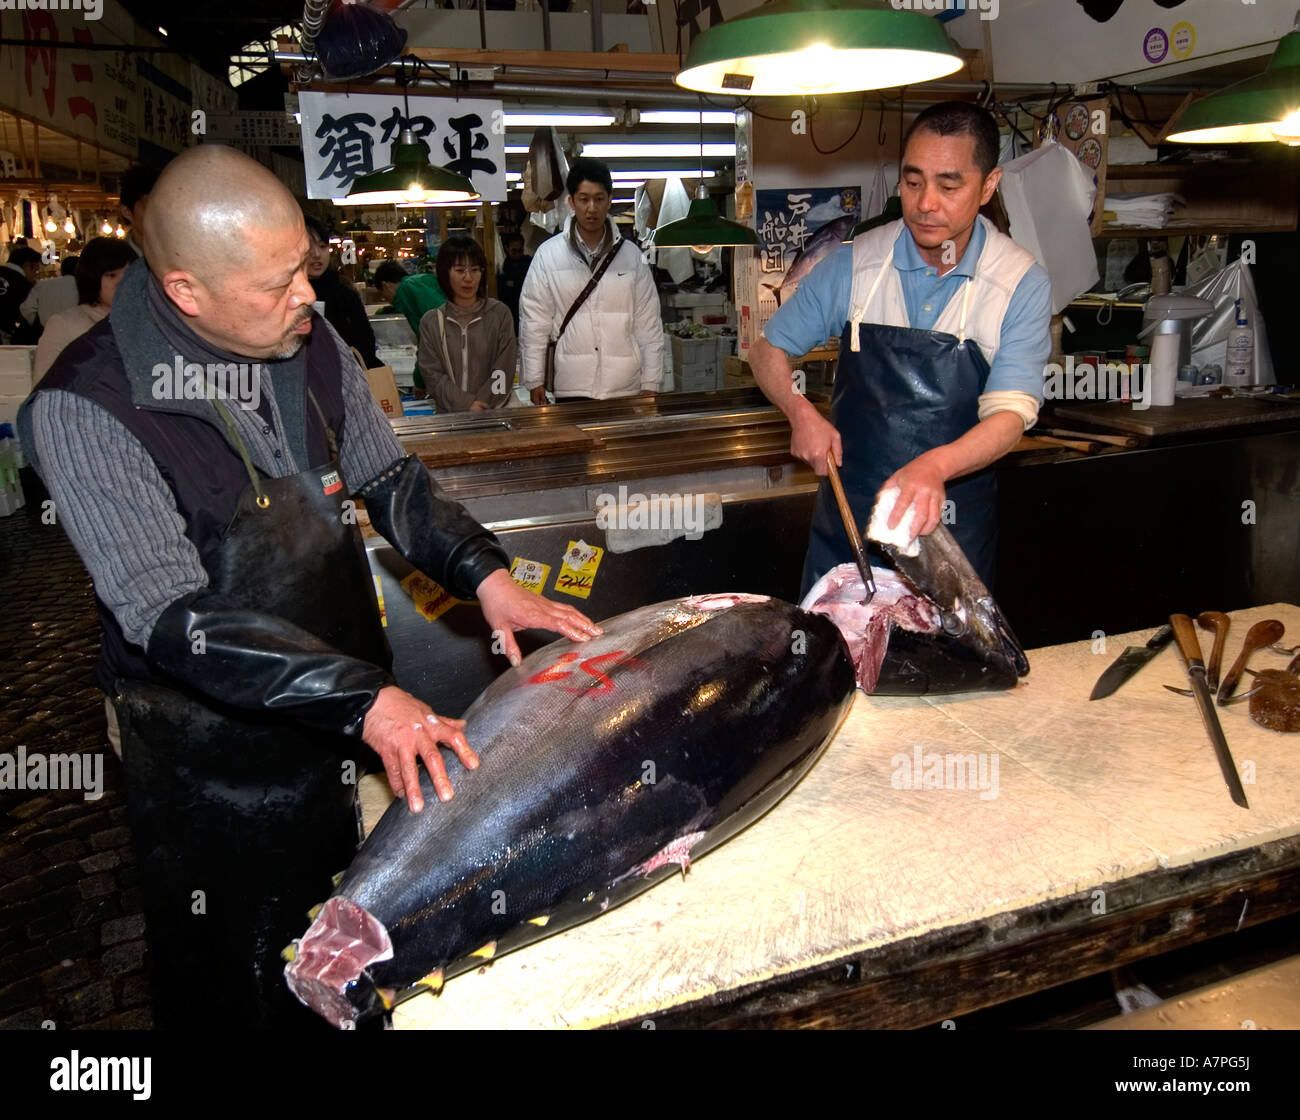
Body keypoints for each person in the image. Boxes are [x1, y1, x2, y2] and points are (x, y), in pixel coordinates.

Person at [18, 144, 601, 1029]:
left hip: (336, 718)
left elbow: (389, 478)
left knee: (348, 931)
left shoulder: (309, 337)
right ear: (186, 292)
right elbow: (172, 618)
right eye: (277, 282)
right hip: (207, 750)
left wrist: (485, 577)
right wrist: (367, 699)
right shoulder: (86, 407)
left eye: (307, 267)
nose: (308, 296)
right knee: (235, 964)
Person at [751, 101, 1051, 595]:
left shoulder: (1018, 282)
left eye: (949, 186)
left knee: (949, 669)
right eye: (913, 183)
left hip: (952, 538)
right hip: (848, 533)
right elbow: (767, 350)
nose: (926, 202)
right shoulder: (856, 264)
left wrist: (935, 466)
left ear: (988, 185)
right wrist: (798, 409)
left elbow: (1010, 417)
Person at [518, 157, 663, 404]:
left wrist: (651, 382)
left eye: (598, 198)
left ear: (609, 200)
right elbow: (534, 322)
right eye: (584, 199)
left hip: (625, 388)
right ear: (571, 201)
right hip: (571, 387)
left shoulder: (632, 257)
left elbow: (649, 326)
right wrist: (535, 380)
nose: (592, 208)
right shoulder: (547, 256)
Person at [418, 235, 516, 413]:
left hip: (492, 415)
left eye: (475, 269)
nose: (469, 278)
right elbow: (432, 374)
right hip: (449, 420)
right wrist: (465, 404)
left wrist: (482, 404)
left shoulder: (500, 314)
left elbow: (505, 368)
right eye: (460, 270)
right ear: (445, 273)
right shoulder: (431, 321)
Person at [33, 239, 134, 381]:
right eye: (111, 275)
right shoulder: (64, 325)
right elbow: (44, 388)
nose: (123, 282)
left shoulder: (144, 320)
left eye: (129, 274)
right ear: (92, 277)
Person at [305, 213, 379, 369]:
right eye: (308, 247)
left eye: (322, 246)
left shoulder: (344, 292)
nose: (317, 254)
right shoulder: (286, 295)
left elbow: (366, 342)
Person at [20, 254, 80, 334]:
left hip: (45, 332)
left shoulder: (43, 285)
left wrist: (38, 324)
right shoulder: (84, 287)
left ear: (61, 269)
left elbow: (26, 308)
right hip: (75, 334)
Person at [0, 245, 42, 343]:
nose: (36, 274)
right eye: (36, 269)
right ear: (27, 265)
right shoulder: (24, 285)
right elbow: (26, 313)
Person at [119, 164, 160, 260]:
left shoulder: (182, 254)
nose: (159, 215)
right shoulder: (115, 261)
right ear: (127, 212)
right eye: (150, 208)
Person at [497, 231, 531, 330]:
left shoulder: (529, 264)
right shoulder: (504, 268)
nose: (517, 254)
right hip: (510, 312)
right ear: (507, 248)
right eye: (514, 251)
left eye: (520, 250)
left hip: (527, 310)